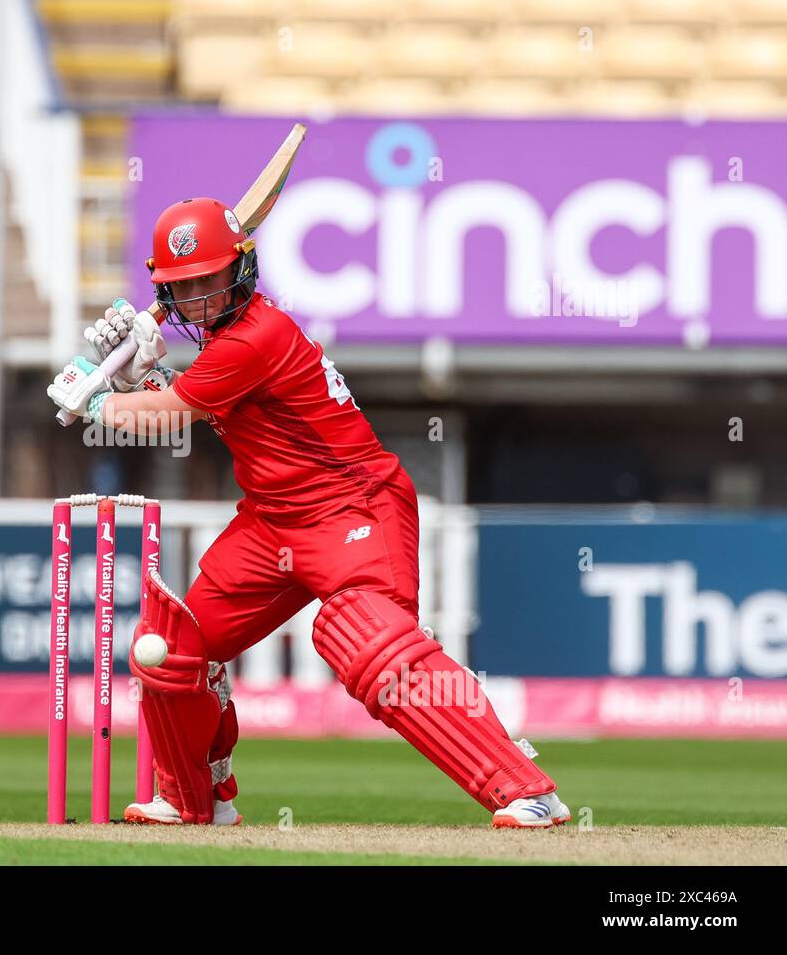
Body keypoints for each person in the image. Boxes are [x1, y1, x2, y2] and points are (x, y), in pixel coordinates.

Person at [47, 196, 570, 829]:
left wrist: (96, 396)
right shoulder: (224, 347)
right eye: (183, 288)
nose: (200, 298)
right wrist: (132, 377)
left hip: (355, 507)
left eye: (209, 280)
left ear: (243, 269)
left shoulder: (258, 335)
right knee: (172, 648)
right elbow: (192, 404)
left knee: (370, 647)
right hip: (271, 523)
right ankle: (195, 800)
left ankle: (526, 790)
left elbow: (170, 413)